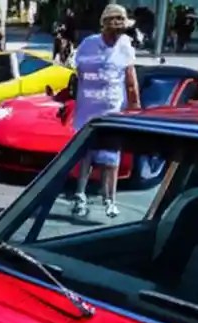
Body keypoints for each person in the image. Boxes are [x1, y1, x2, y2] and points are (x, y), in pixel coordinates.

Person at [69, 3, 139, 218]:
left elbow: (129, 79)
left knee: (100, 155)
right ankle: (94, 197)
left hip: (101, 110)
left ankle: (97, 197)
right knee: (98, 156)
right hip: (99, 112)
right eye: (116, 30)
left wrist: (134, 106)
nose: (118, 34)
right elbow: (129, 82)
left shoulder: (110, 44)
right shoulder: (99, 45)